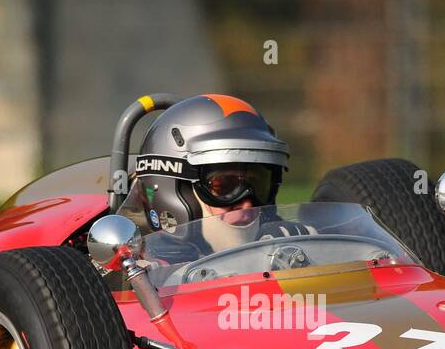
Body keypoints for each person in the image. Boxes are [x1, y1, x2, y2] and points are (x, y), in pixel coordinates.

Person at [122, 94, 307, 262]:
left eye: (259, 185)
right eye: (224, 185)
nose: (248, 205)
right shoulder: (125, 272)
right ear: (174, 191)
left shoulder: (290, 255)